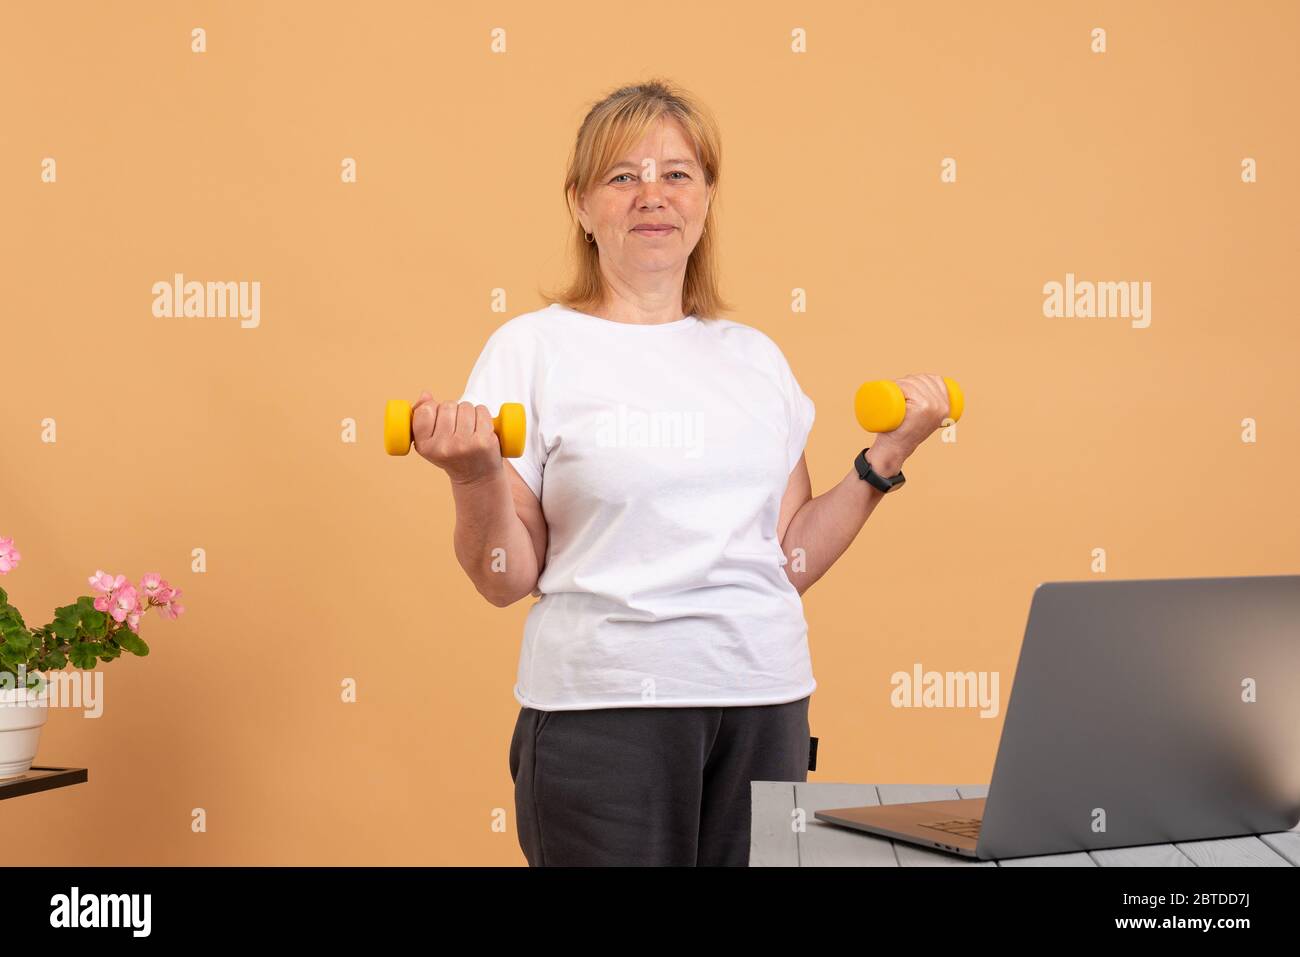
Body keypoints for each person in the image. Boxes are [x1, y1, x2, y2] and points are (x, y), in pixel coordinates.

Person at [411, 79, 952, 866]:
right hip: (605, 708)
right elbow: (504, 577)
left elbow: (787, 557)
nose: (652, 195)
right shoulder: (533, 349)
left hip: (764, 700)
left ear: (705, 198)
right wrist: (471, 477)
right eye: (622, 176)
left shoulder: (753, 358)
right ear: (581, 203)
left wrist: (889, 456)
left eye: (677, 173)